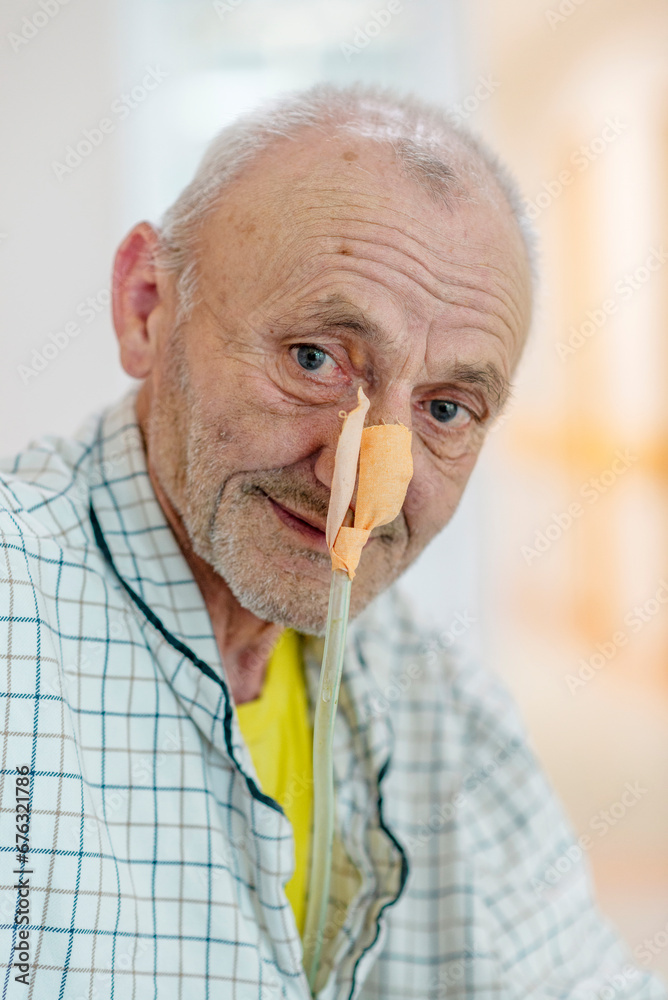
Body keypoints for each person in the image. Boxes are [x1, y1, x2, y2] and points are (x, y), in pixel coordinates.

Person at [0, 83, 664, 1000]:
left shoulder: (439, 701)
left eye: (443, 410)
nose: (365, 486)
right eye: (316, 358)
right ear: (147, 306)